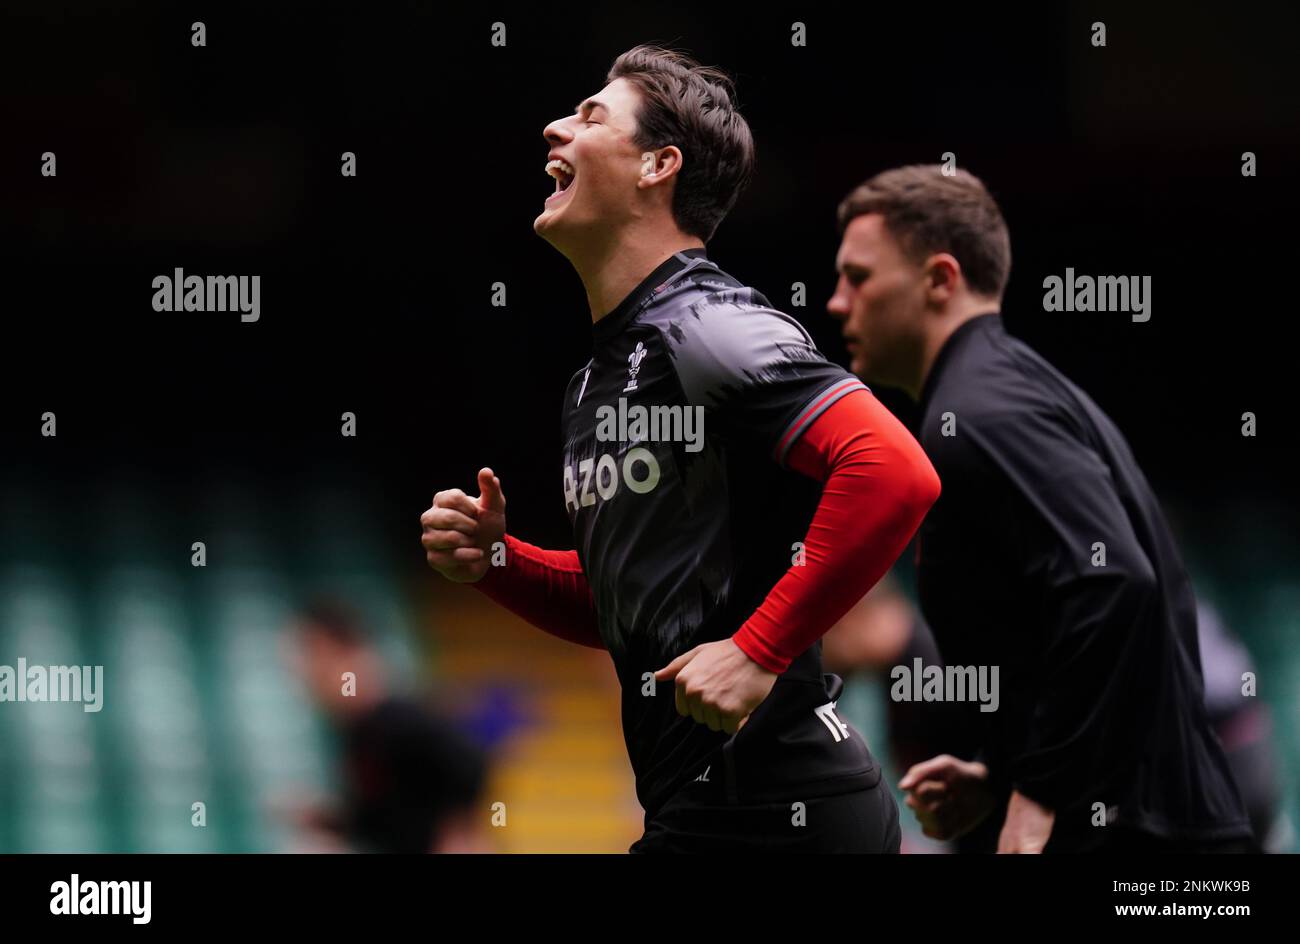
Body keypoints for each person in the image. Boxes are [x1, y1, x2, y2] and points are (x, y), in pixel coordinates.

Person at [421, 47, 939, 852]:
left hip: (780, 805)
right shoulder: (593, 382)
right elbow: (633, 606)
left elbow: (895, 471)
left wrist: (757, 649)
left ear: (658, 166)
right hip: (706, 808)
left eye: (592, 115)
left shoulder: (710, 326)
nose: (555, 126)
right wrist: (499, 562)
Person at [826, 165, 1252, 852]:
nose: (837, 303)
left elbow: (1115, 584)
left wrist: (1038, 793)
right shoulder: (1004, 389)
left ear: (941, 279)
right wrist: (1002, 773)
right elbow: (1072, 631)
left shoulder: (984, 410)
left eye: (859, 277)